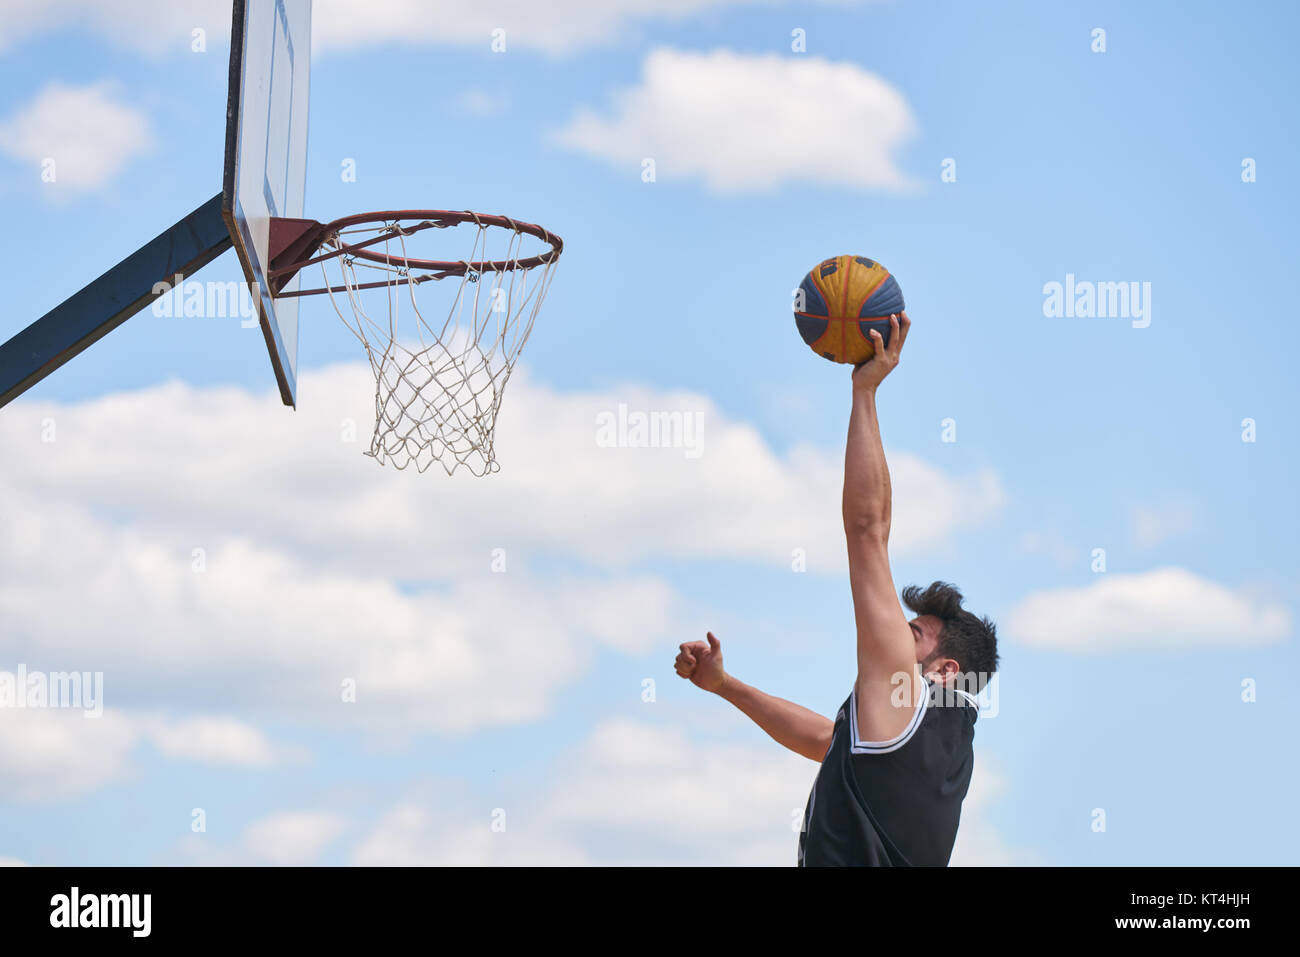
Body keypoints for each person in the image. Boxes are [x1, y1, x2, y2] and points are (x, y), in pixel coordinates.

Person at [674, 313, 999, 866]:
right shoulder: (934, 739)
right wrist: (726, 686)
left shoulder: (906, 696)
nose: (896, 631)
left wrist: (865, 392)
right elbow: (827, 742)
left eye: (914, 633)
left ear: (945, 671)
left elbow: (867, 534)